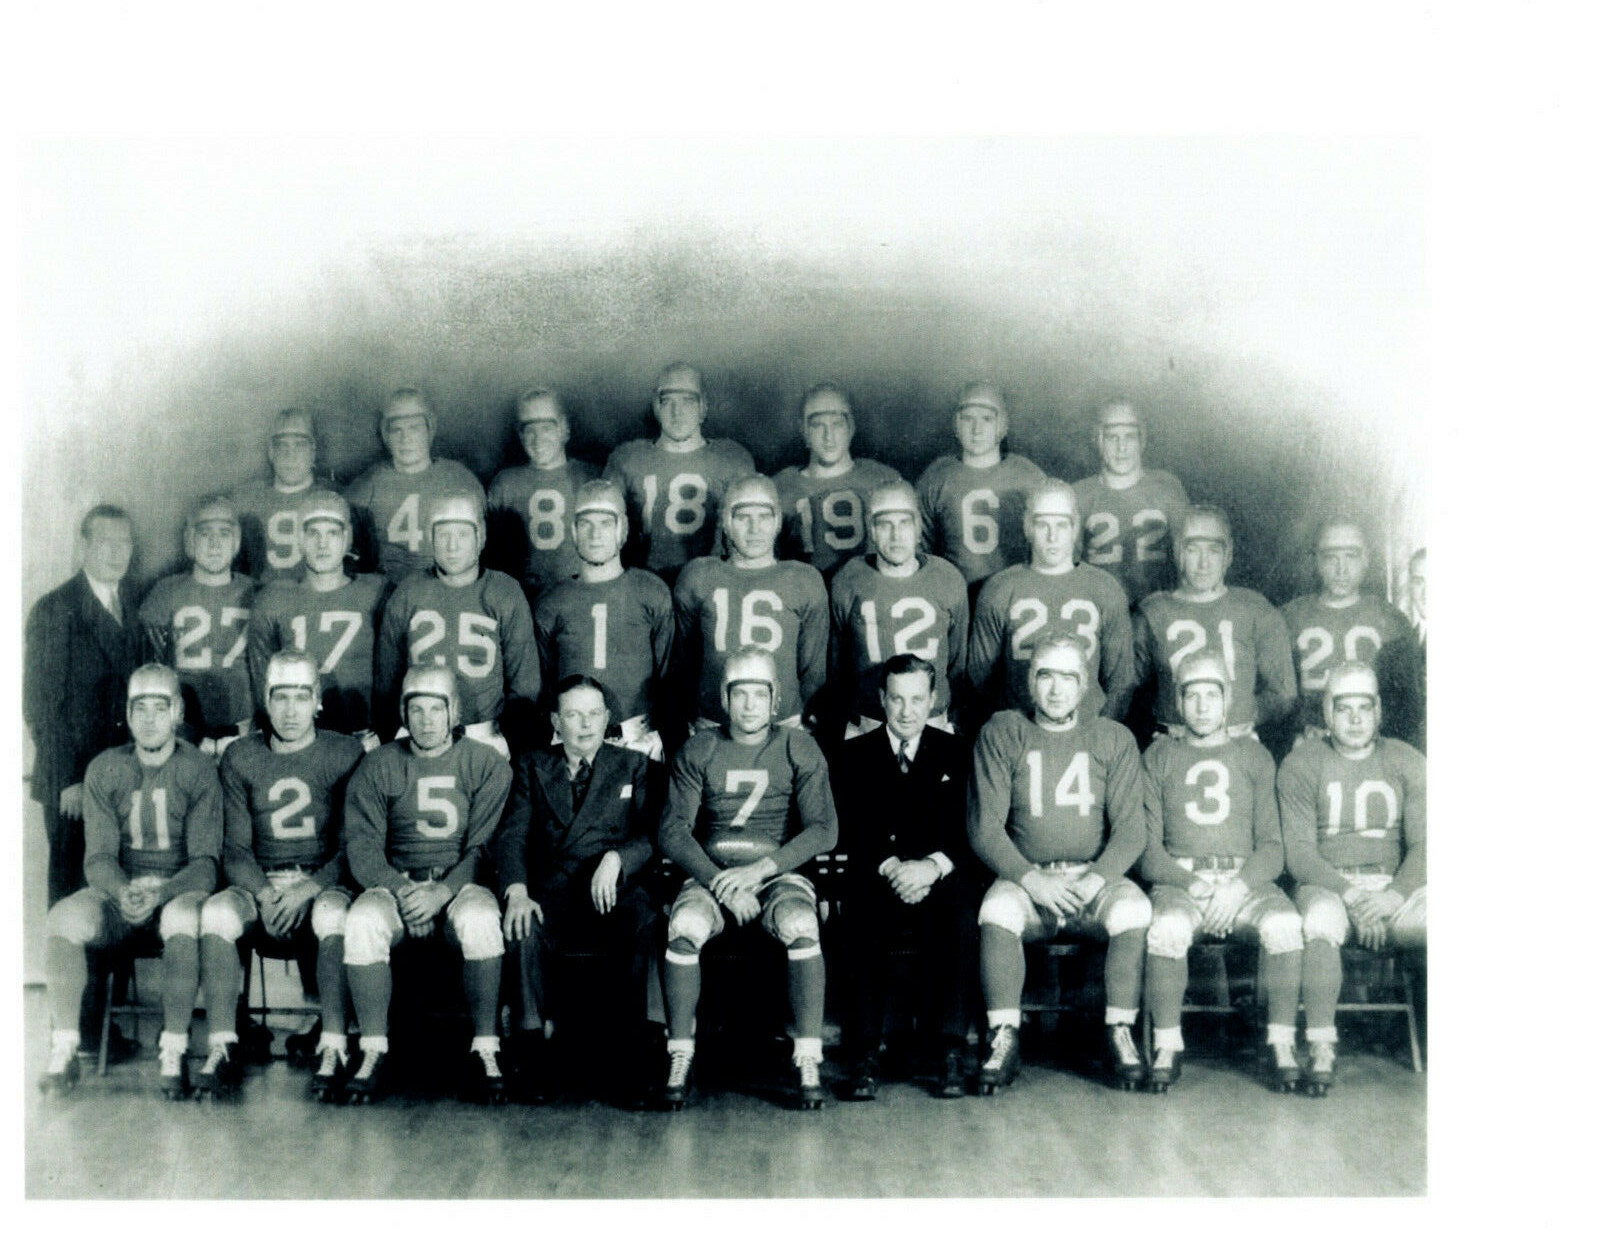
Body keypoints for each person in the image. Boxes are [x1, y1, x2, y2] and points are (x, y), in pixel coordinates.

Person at [656, 648, 840, 1110]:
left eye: (760, 695)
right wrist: (720, 882)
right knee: (685, 928)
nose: (751, 705)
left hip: (778, 873)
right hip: (711, 873)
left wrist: (759, 871)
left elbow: (824, 827)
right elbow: (672, 830)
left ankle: (808, 1056)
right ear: (724, 698)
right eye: (741, 695)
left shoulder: (799, 745)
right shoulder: (701, 746)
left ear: (775, 701)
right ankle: (679, 1054)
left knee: (801, 924)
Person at [967, 633, 1151, 1093]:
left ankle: (1119, 1030)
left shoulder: (1113, 737)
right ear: (1029, 680)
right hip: (1029, 878)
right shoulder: (1003, 731)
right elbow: (984, 828)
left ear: (1085, 684)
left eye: (1068, 677)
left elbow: (1132, 831)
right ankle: (1004, 1033)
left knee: (1133, 910)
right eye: (1045, 674)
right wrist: (1031, 880)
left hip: (1091, 877)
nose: (1055, 688)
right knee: (996, 911)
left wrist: (1095, 880)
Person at [37, 665, 222, 1098]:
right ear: (128, 712)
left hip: (174, 891)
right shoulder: (105, 767)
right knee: (63, 919)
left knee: (181, 918)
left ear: (177, 713)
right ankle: (64, 1048)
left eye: (161, 708)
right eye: (141, 708)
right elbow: (98, 858)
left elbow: (205, 865)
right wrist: (123, 891)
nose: (151, 719)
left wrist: (161, 891)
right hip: (122, 893)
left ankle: (173, 1048)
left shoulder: (198, 769)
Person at [340, 665, 513, 1104]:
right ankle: (373, 1049)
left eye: (436, 709)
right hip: (398, 883)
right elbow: (362, 849)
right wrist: (403, 892)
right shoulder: (377, 764)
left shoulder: (487, 763)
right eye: (415, 709)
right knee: (361, 920)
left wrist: (441, 893)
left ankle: (486, 1047)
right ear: (403, 712)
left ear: (454, 711)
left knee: (479, 918)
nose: (426, 719)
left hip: (458, 885)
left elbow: (486, 846)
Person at [197, 652, 366, 1099]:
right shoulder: (240, 754)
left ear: (318, 701)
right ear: (265, 702)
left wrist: (308, 888)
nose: (290, 710)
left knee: (334, 915)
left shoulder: (346, 752)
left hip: (321, 881)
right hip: (262, 883)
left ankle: (333, 1044)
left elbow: (355, 846)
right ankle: (222, 1042)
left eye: (301, 696)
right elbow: (234, 847)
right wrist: (266, 893)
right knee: (215, 913)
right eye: (280, 697)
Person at [1140, 651, 1304, 1093]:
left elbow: (1273, 847)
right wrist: (1194, 884)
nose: (1202, 706)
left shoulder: (1254, 756)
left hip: (1242, 881)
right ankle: (1167, 1042)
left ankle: (1281, 1042)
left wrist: (1236, 887)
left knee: (1286, 924)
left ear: (1228, 700)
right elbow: (1148, 851)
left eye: (1212, 695)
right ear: (1178, 701)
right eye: (1192, 696)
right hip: (1182, 880)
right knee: (1167, 927)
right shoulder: (1158, 757)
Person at [497, 675, 661, 1105]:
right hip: (551, 892)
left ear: (607, 717)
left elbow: (653, 835)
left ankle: (635, 1056)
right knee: (522, 926)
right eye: (572, 714)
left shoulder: (633, 765)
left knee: (644, 920)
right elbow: (512, 836)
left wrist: (619, 859)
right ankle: (531, 1053)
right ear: (556, 720)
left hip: (614, 891)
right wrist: (516, 890)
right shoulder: (532, 765)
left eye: (593, 714)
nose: (584, 724)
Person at [832, 655, 976, 1101]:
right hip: (881, 873)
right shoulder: (853, 754)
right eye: (897, 699)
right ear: (881, 699)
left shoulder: (959, 751)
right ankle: (865, 1053)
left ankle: (950, 1049)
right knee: (860, 917)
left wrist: (930, 867)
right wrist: (892, 866)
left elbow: (969, 827)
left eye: (917, 699)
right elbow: (849, 827)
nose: (907, 710)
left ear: (933, 700)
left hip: (938, 874)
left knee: (960, 915)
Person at [1280, 660, 1425, 1097]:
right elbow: (1300, 854)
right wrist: (1352, 898)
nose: (1357, 719)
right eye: (1345, 708)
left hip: (1392, 889)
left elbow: (1428, 844)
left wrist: (1393, 896)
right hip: (1330, 885)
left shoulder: (1405, 759)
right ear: (1326, 713)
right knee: (1320, 921)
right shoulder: (1302, 762)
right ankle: (1322, 1044)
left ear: (1379, 710)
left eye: (1366, 707)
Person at [25, 504, 143, 908]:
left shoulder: (130, 605)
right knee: (73, 897)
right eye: (106, 543)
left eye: (124, 542)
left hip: (119, 776)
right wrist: (68, 779)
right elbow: (41, 707)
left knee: (115, 895)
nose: (117, 553)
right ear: (83, 547)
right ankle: (71, 976)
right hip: (72, 783)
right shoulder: (56, 609)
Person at [374, 492, 540, 759]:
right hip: (420, 737)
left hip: (484, 734)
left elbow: (525, 682)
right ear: (431, 538)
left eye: (462, 534)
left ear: (481, 537)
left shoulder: (504, 591)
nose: (452, 546)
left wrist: (513, 741)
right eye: (443, 534)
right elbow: (387, 681)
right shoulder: (408, 593)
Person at [967, 479, 1136, 728]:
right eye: (1043, 524)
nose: (1052, 536)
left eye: (1061, 525)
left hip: (1086, 731)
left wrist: (1098, 734)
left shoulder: (1105, 588)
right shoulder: (999, 589)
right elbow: (981, 677)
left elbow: (1120, 680)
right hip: (1021, 733)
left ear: (1075, 526)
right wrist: (1011, 729)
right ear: (1027, 527)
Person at [673, 474, 828, 731]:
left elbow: (812, 669)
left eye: (764, 516)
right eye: (744, 517)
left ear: (777, 521)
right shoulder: (698, 576)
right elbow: (684, 664)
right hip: (712, 724)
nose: (755, 529)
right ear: (726, 522)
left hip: (784, 724)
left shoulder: (804, 579)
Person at [532, 480, 674, 760]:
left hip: (636, 740)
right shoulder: (552, 600)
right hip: (571, 744)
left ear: (622, 529)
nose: (595, 534)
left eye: (605, 523)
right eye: (586, 524)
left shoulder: (650, 590)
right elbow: (547, 681)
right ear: (573, 530)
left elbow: (668, 674)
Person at [1134, 505, 1297, 740]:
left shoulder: (1255, 609)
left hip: (1236, 743)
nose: (1203, 563)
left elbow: (1284, 692)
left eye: (1213, 550)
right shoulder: (1153, 611)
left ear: (1228, 553)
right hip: (1174, 744)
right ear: (1177, 550)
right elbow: (1125, 685)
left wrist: (1245, 718)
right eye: (1193, 549)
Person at [827, 481, 969, 740]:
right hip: (869, 723)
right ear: (871, 529)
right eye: (885, 524)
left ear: (918, 528)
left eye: (905, 523)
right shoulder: (849, 578)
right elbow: (838, 667)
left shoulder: (947, 578)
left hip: (931, 722)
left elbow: (957, 663)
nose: (896, 535)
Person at [247, 488, 388, 744]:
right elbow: (263, 682)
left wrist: (384, 732)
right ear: (299, 538)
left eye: (332, 533)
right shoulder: (273, 598)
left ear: (347, 538)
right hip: (300, 738)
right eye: (313, 533)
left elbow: (393, 671)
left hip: (364, 737)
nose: (322, 544)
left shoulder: (378, 592)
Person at [602, 363, 755, 584]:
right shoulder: (627, 458)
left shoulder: (732, 459)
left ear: (703, 407)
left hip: (713, 586)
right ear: (656, 407)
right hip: (643, 585)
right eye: (668, 401)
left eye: (688, 401)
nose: (677, 412)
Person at [1279, 518, 1419, 744]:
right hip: (1308, 748)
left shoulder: (1391, 620)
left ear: (1366, 559)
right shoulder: (1288, 618)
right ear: (1315, 560)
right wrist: (1298, 731)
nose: (1341, 569)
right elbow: (1278, 700)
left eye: (1351, 556)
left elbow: (1406, 709)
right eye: (1330, 557)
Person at [138, 496, 256, 754]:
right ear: (190, 540)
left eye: (224, 534)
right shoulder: (165, 593)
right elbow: (150, 668)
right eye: (205, 534)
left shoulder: (256, 592)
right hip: (183, 731)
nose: (214, 544)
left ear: (235, 541)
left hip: (243, 730)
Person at [915, 382, 1047, 592]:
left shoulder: (1029, 477)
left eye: (987, 419)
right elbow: (918, 551)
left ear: (1002, 424)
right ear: (956, 424)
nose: (977, 429)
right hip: (957, 599)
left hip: (1018, 595)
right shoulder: (937, 477)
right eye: (968, 419)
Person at [344, 388, 485, 581]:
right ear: (386, 436)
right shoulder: (367, 485)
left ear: (430, 430)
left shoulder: (460, 479)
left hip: (444, 588)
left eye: (414, 428)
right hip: (386, 590)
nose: (405, 438)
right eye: (397, 430)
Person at [771, 383, 903, 580]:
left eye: (837, 424)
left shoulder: (884, 480)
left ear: (851, 427)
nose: (828, 436)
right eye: (818, 425)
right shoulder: (780, 487)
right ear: (804, 430)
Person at [1071, 401, 1190, 608]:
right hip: (1100, 613)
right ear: (1098, 440)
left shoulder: (1166, 488)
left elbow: (1188, 558)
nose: (1121, 447)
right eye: (1112, 438)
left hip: (1159, 612)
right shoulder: (1079, 495)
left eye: (1129, 437)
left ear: (1142, 440)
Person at [485, 388, 600, 598]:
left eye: (547, 428)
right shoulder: (505, 484)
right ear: (520, 434)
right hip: (523, 598)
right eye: (530, 429)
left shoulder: (591, 478)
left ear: (564, 428)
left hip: (580, 597)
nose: (538, 438)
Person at [232, 408, 325, 583]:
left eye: (299, 444)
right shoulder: (245, 500)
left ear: (313, 451)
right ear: (271, 452)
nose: (290, 455)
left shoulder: (334, 496)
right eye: (282, 445)